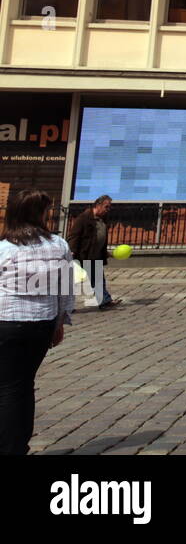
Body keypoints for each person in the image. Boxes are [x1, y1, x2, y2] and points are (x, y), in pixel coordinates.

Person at [0, 190, 74, 455]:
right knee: (23, 384)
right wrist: (61, 321)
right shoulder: (58, 245)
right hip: (41, 323)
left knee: (8, 386)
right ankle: (18, 444)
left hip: (6, 321)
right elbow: (65, 288)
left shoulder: (5, 248)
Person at [65, 194, 115, 310]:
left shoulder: (103, 219)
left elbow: (100, 236)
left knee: (98, 279)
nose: (108, 210)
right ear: (98, 205)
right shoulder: (84, 218)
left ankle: (104, 301)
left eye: (109, 207)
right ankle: (67, 306)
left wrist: (103, 251)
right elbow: (74, 236)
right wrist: (72, 251)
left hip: (95, 254)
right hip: (82, 255)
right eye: (106, 207)